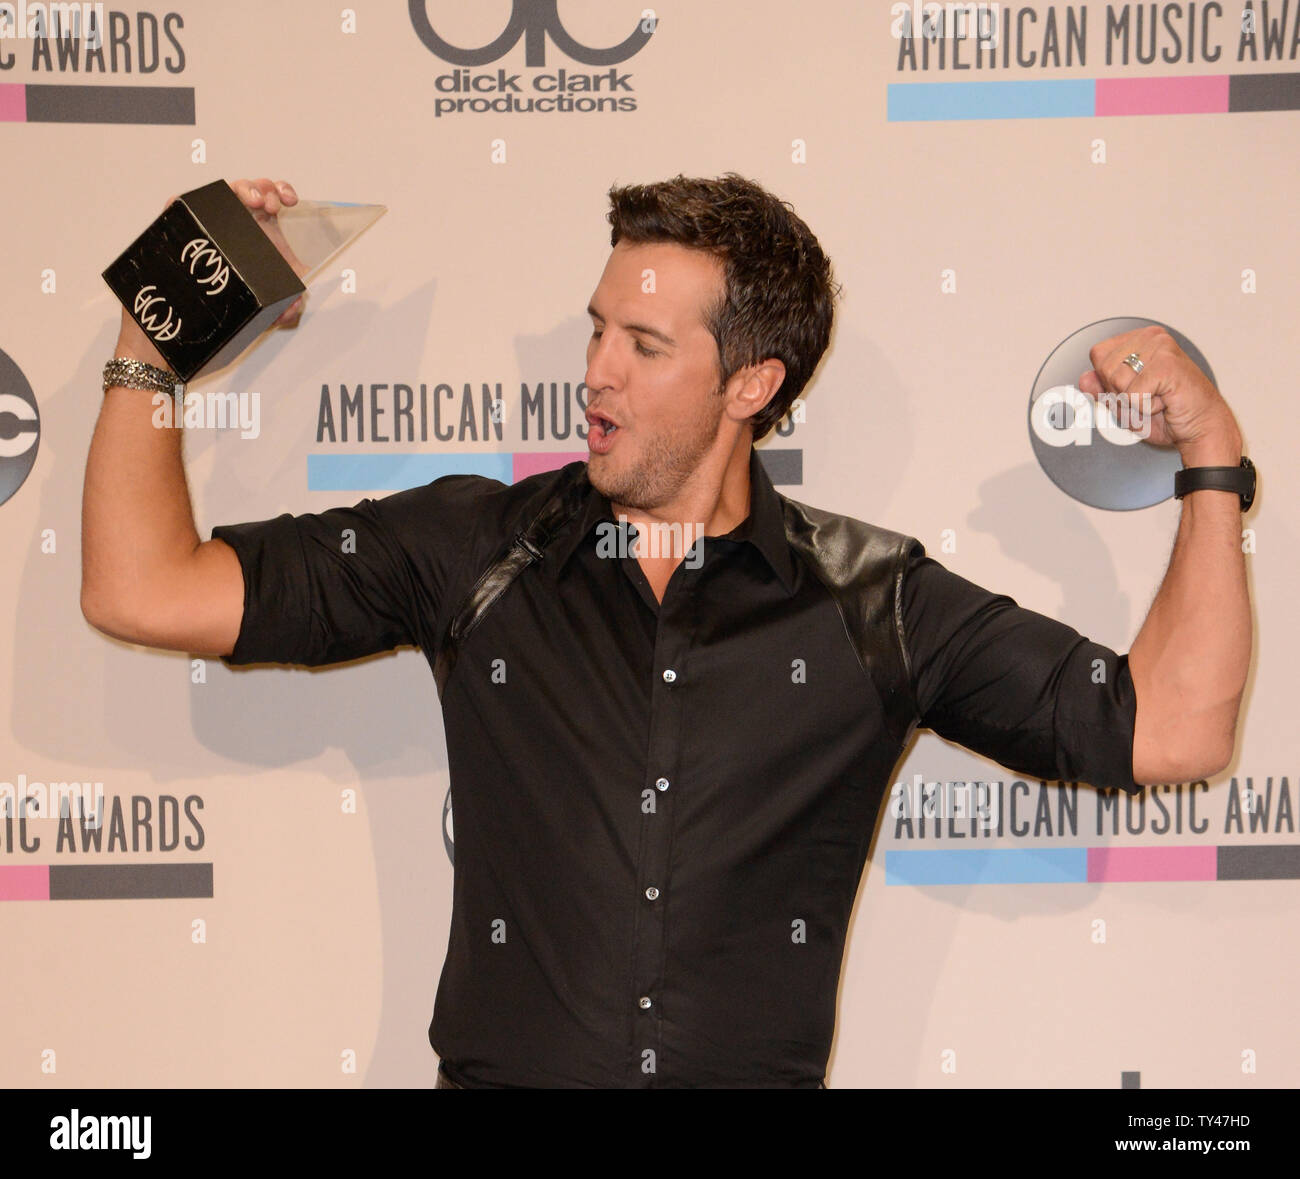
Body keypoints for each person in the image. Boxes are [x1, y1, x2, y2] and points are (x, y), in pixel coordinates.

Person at [82, 173, 1252, 1089]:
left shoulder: (870, 600)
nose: (592, 375)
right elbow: (143, 589)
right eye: (596, 332)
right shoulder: (473, 549)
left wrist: (1210, 459)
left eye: (642, 350)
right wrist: (156, 330)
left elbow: (1170, 729)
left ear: (751, 385)